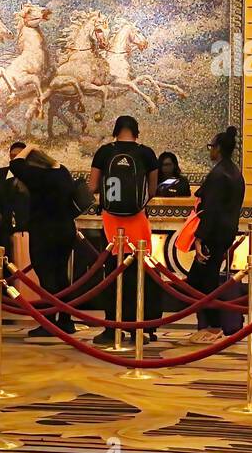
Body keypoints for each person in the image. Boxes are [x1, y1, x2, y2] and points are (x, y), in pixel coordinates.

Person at [89, 115, 161, 345]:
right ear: (136, 131)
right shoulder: (147, 153)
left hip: (111, 221)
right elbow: (152, 190)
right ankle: (136, 328)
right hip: (138, 221)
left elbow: (92, 186)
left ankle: (112, 326)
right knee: (137, 273)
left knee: (111, 274)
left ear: (115, 130)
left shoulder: (104, 152)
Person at [9, 144, 79, 339]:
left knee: (46, 276)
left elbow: (15, 164)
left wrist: (29, 146)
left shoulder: (38, 176)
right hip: (66, 229)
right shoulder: (61, 171)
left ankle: (48, 323)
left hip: (45, 231)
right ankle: (66, 321)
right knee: (61, 275)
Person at [187, 126, 246, 341]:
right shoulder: (234, 172)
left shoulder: (219, 175)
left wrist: (200, 238)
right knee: (204, 280)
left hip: (213, 235)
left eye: (212, 147)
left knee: (202, 281)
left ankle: (213, 326)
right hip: (225, 233)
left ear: (219, 149)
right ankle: (209, 325)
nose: (210, 151)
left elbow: (211, 209)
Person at [0, 141, 27, 250]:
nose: (15, 159)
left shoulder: (32, 177)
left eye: (19, 157)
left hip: (24, 224)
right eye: (13, 156)